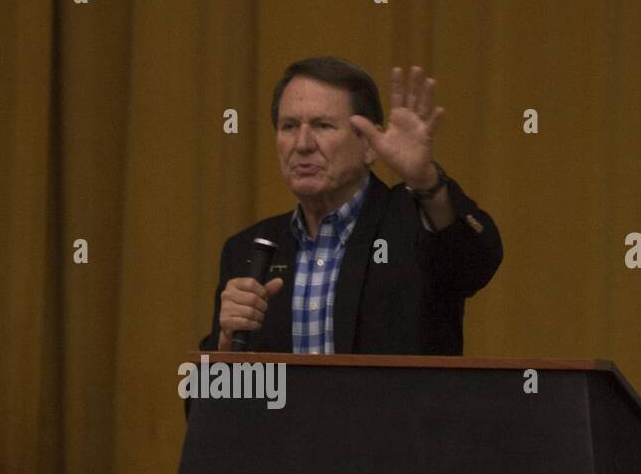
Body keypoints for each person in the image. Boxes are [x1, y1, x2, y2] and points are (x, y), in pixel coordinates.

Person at [200, 56, 503, 356]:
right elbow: (202, 401)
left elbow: (475, 264)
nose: (302, 144)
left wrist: (426, 181)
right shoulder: (248, 250)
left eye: (323, 125)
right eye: (289, 126)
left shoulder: (417, 221)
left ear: (370, 145)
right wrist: (226, 346)